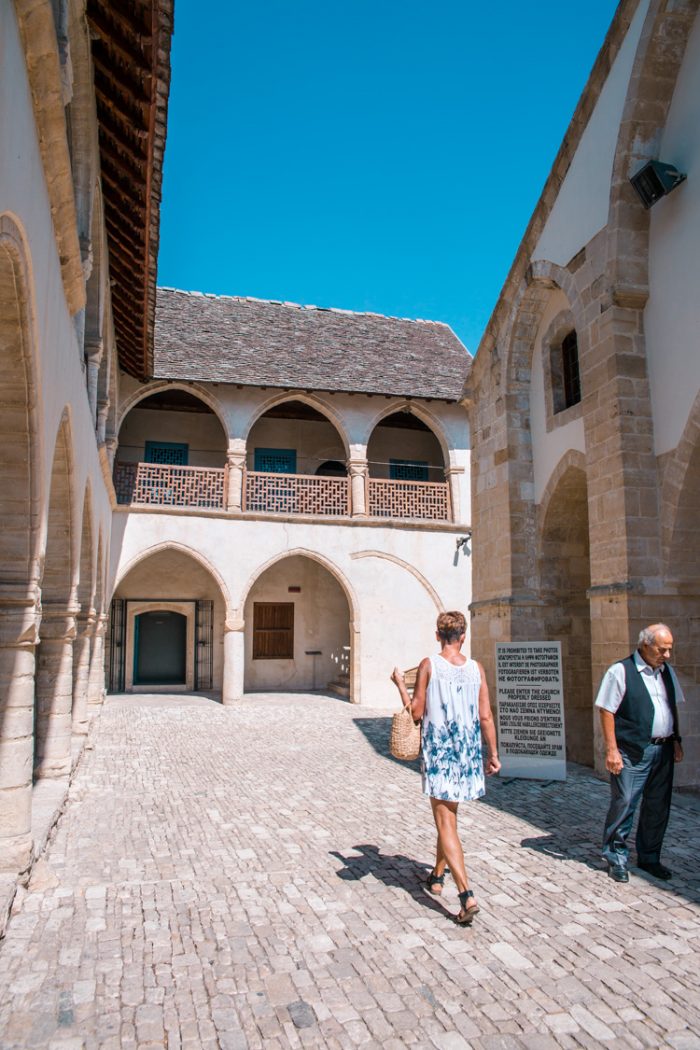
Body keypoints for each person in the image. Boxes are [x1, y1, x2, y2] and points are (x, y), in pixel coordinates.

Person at [391, 610, 500, 924]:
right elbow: (486, 716)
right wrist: (492, 753)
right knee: (448, 817)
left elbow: (415, 713)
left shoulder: (430, 665)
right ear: (463, 636)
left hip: (440, 752)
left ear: (437, 635)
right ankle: (437, 876)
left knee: (445, 822)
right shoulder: (475, 668)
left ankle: (466, 894)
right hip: (466, 752)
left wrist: (400, 685)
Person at [596, 623, 684, 883]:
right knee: (624, 803)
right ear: (645, 645)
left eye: (669, 650)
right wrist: (612, 750)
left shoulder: (667, 672)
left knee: (658, 806)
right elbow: (606, 709)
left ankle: (650, 856)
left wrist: (676, 739)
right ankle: (616, 856)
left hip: (663, 747)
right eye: (662, 649)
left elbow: (672, 707)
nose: (667, 655)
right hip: (633, 750)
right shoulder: (620, 671)